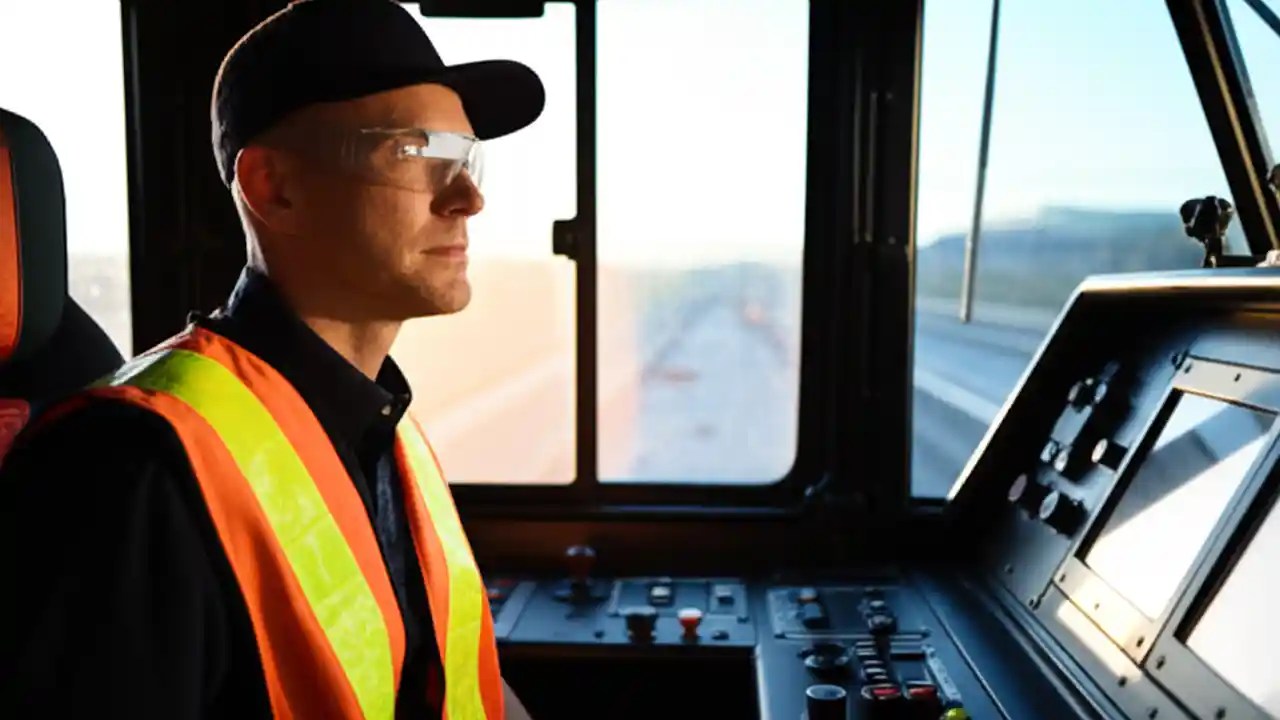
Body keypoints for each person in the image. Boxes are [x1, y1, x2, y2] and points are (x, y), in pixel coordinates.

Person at [0, 0, 544, 717]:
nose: (468, 196)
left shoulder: (388, 428)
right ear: (273, 188)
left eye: (467, 158)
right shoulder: (132, 468)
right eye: (418, 154)